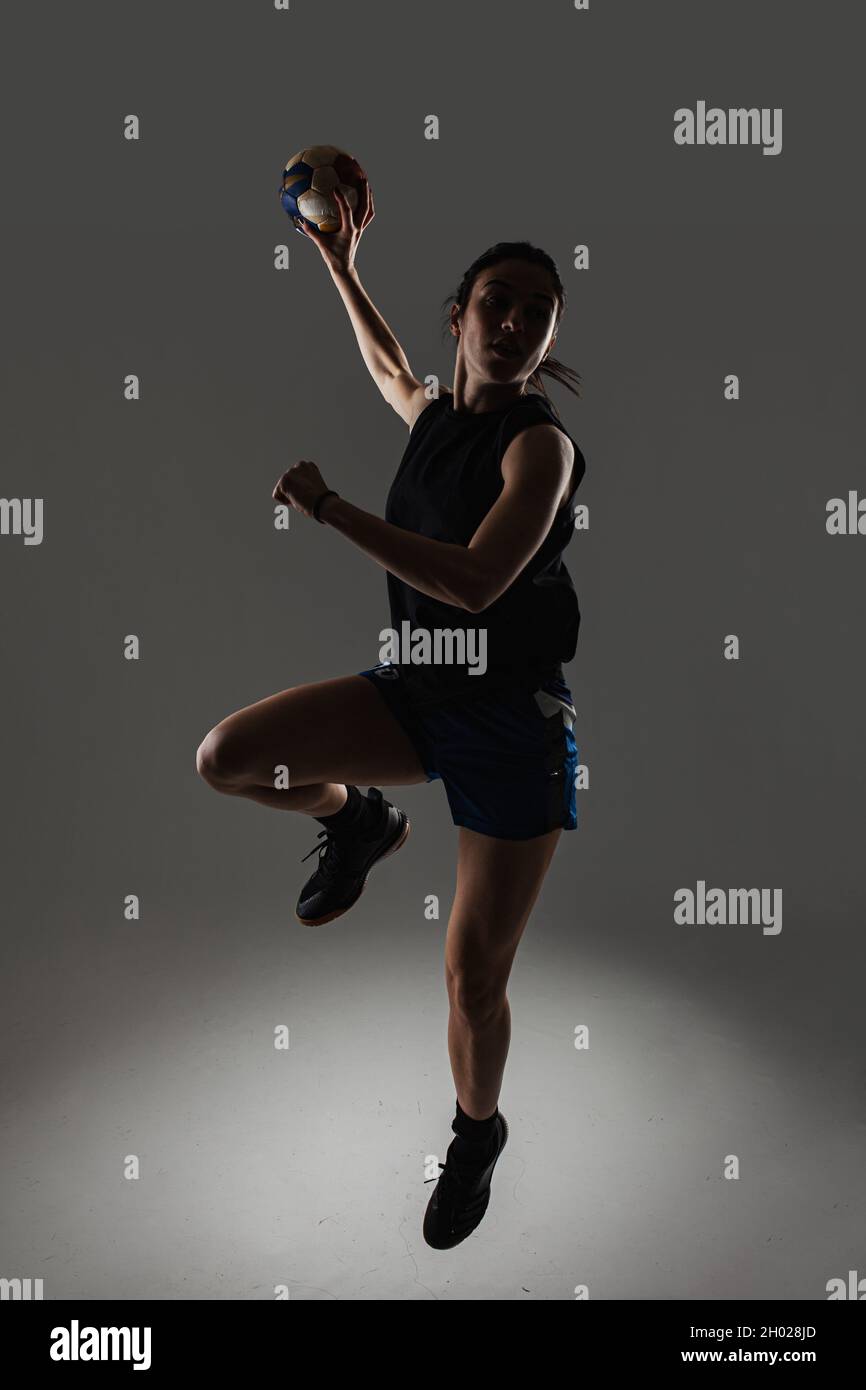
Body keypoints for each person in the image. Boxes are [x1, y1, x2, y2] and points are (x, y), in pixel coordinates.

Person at [195, 177, 587, 1250]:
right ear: (459, 314)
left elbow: (472, 582)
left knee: (470, 978)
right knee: (230, 756)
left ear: (546, 337)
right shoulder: (433, 414)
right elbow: (389, 370)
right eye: (495, 302)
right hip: (418, 692)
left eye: (534, 313)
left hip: (511, 727)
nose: (512, 324)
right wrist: (338, 265)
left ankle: (474, 1132)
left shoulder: (537, 449)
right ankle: (357, 820)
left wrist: (330, 511)